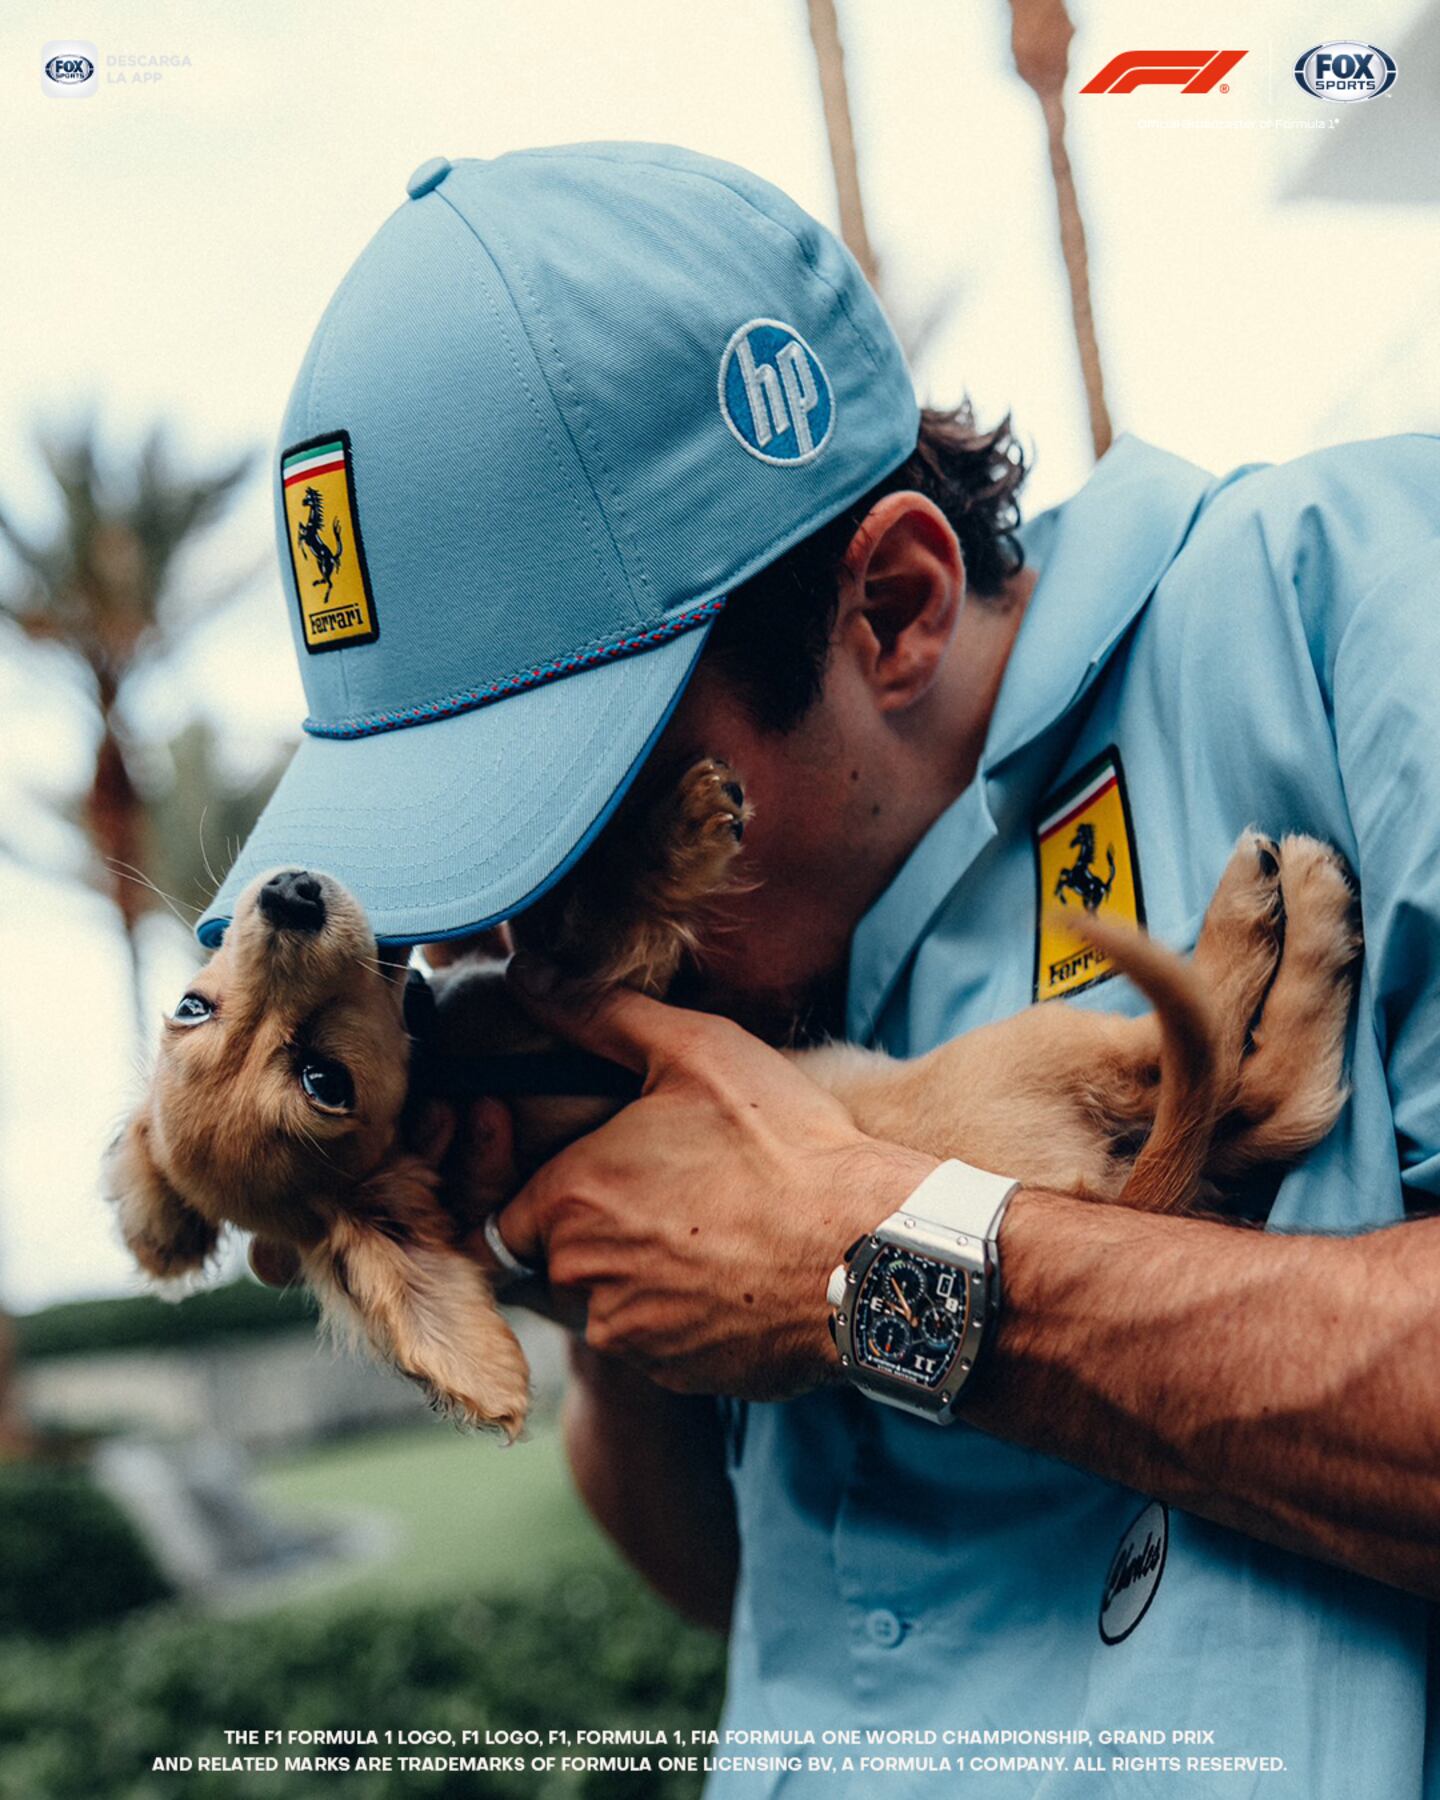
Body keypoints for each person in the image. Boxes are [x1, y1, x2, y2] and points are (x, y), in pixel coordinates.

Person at [212, 144, 1440, 1796]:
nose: (526, 946)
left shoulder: (1356, 596)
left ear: (895, 604)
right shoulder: (736, 995)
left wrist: (857, 1269)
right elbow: (757, 1605)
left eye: (583, 814)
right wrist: (612, 1302)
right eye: (472, 872)